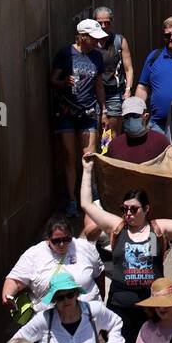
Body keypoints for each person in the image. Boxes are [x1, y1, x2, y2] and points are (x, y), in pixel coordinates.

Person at [80, 161, 172, 343]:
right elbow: (86, 204)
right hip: (121, 304)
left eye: (134, 209)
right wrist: (87, 169)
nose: (128, 214)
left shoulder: (158, 228)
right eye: (124, 209)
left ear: (146, 209)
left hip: (155, 306)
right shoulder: (117, 227)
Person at [50, 17, 108, 216]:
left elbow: (99, 85)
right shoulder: (66, 54)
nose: (96, 42)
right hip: (66, 111)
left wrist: (104, 110)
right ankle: (72, 200)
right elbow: (52, 81)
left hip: (89, 112)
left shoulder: (97, 57)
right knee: (69, 157)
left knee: (88, 157)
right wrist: (64, 81)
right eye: (93, 38)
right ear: (82, 37)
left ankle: (90, 197)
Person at [2, 216, 103, 320]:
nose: (62, 244)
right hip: (51, 323)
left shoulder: (85, 248)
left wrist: (101, 304)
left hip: (89, 317)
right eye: (56, 241)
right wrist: (8, 296)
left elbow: (99, 274)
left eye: (67, 239)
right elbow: (15, 280)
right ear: (48, 238)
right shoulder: (33, 255)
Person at [134, 17, 172, 132]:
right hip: (158, 125)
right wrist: (137, 112)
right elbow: (143, 87)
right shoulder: (154, 57)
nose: (171, 38)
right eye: (167, 35)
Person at [92, 7, 134, 136]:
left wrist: (128, 90)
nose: (103, 26)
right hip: (92, 92)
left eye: (107, 22)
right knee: (94, 132)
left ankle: (109, 154)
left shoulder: (119, 41)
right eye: (100, 23)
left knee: (110, 133)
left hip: (113, 92)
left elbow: (128, 68)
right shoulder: (90, 42)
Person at [105, 98, 170, 164]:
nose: (131, 119)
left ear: (146, 116)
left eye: (135, 115)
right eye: (126, 116)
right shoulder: (114, 145)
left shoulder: (161, 142)